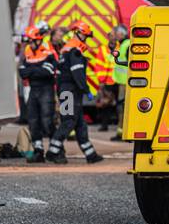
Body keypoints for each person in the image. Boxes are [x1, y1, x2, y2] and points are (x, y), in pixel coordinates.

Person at [46, 21, 103, 165]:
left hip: (69, 91)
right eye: (85, 36)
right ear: (77, 33)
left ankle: (91, 155)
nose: (86, 39)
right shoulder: (74, 51)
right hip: (69, 91)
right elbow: (78, 74)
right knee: (69, 121)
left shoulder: (68, 50)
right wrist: (87, 90)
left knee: (80, 124)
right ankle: (52, 152)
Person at [17, 24, 58, 162]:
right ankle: (38, 151)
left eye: (30, 41)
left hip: (46, 89)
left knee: (47, 121)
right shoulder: (28, 51)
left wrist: (32, 71)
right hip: (34, 90)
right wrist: (37, 70)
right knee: (33, 121)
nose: (28, 44)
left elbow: (48, 71)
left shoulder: (48, 51)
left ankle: (56, 150)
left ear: (37, 40)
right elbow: (22, 72)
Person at [109, 24, 130, 138]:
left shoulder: (127, 45)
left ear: (122, 33)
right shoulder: (121, 44)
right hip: (120, 81)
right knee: (120, 106)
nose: (115, 36)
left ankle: (121, 131)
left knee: (122, 107)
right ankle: (120, 130)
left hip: (125, 82)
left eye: (116, 33)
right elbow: (114, 58)